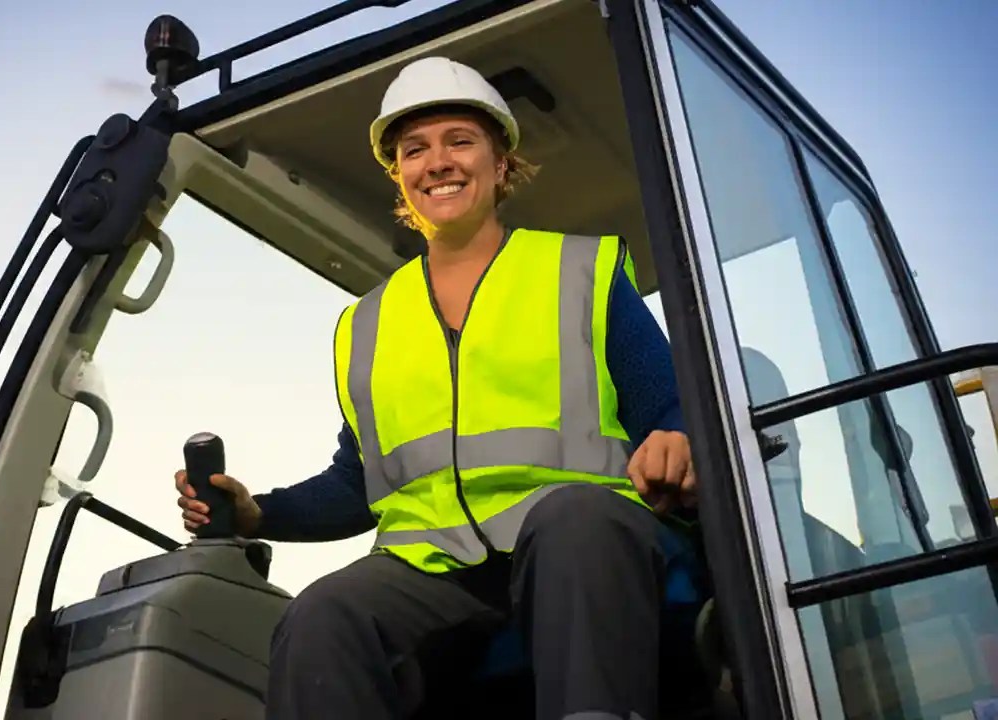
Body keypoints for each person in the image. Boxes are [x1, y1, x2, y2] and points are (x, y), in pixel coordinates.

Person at [176, 56, 699, 720]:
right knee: (324, 614)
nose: (438, 162)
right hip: (436, 573)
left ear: (501, 161)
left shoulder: (580, 270)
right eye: (415, 149)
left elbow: (672, 405)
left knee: (575, 520)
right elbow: (357, 483)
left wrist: (675, 440)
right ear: (400, 175)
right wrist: (260, 514)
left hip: (584, 544)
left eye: (460, 140)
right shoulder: (366, 324)